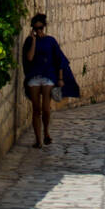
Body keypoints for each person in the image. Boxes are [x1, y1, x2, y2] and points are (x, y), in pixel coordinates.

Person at [22, 14, 79, 148]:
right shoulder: (29, 42)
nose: (39, 31)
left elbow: (59, 60)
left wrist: (60, 78)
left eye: (41, 28)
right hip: (34, 77)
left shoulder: (51, 41)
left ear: (44, 26)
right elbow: (29, 58)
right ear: (33, 29)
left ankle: (46, 132)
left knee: (46, 108)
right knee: (36, 109)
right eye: (36, 29)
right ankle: (38, 140)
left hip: (48, 76)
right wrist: (34, 41)